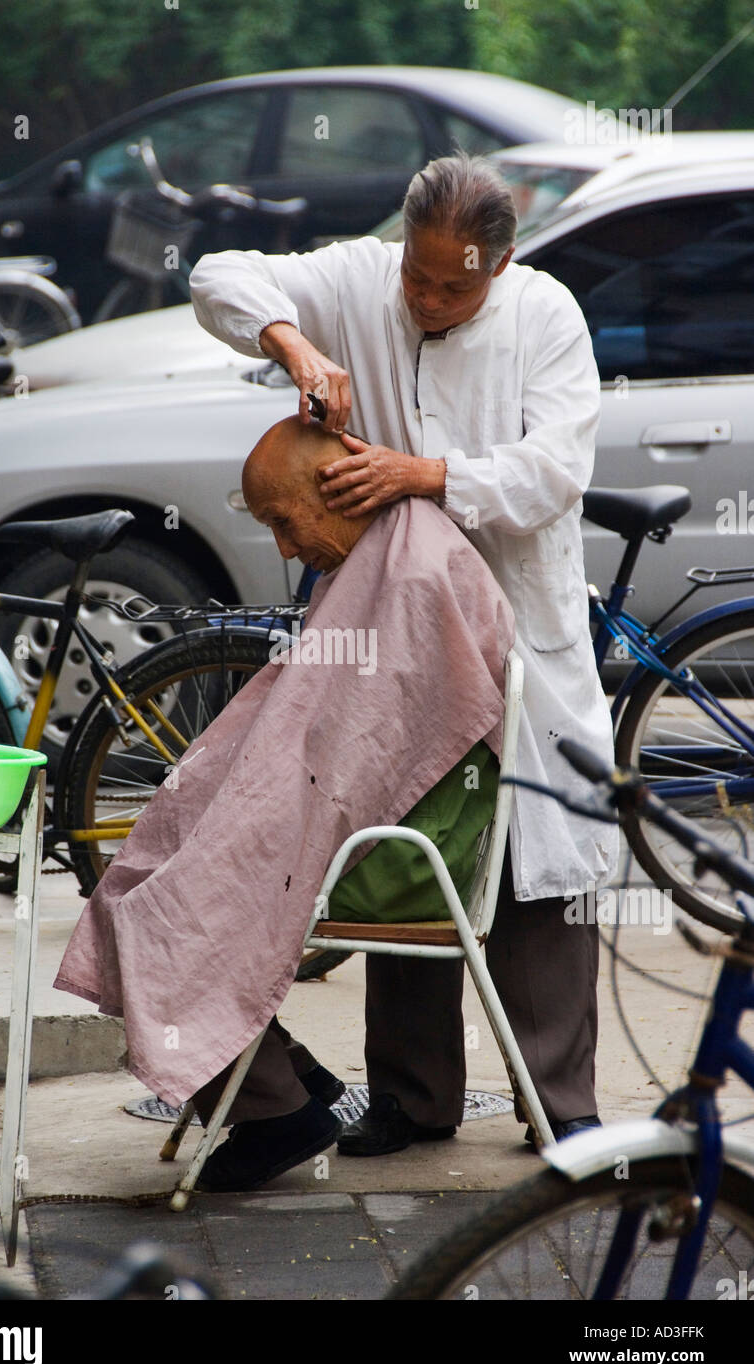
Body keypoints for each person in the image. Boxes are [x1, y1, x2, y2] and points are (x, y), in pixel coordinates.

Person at [189, 151, 618, 1157]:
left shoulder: (544, 317)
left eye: (451, 285)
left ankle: (561, 1102)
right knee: (404, 852)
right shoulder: (356, 282)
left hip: (519, 635)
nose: (425, 299)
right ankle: (413, 1098)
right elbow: (216, 274)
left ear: (499, 266)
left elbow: (554, 469)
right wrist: (292, 343)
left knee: (532, 868)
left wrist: (422, 474)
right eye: (414, 278)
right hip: (394, 641)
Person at [55, 417, 516, 1190]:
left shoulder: (409, 577)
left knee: (163, 909)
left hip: (397, 848)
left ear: (335, 490)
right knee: (142, 877)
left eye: (281, 519)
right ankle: (286, 1077)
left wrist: (246, 823)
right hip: (376, 820)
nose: (282, 546)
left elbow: (363, 754)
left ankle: (276, 1112)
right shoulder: (381, 555)